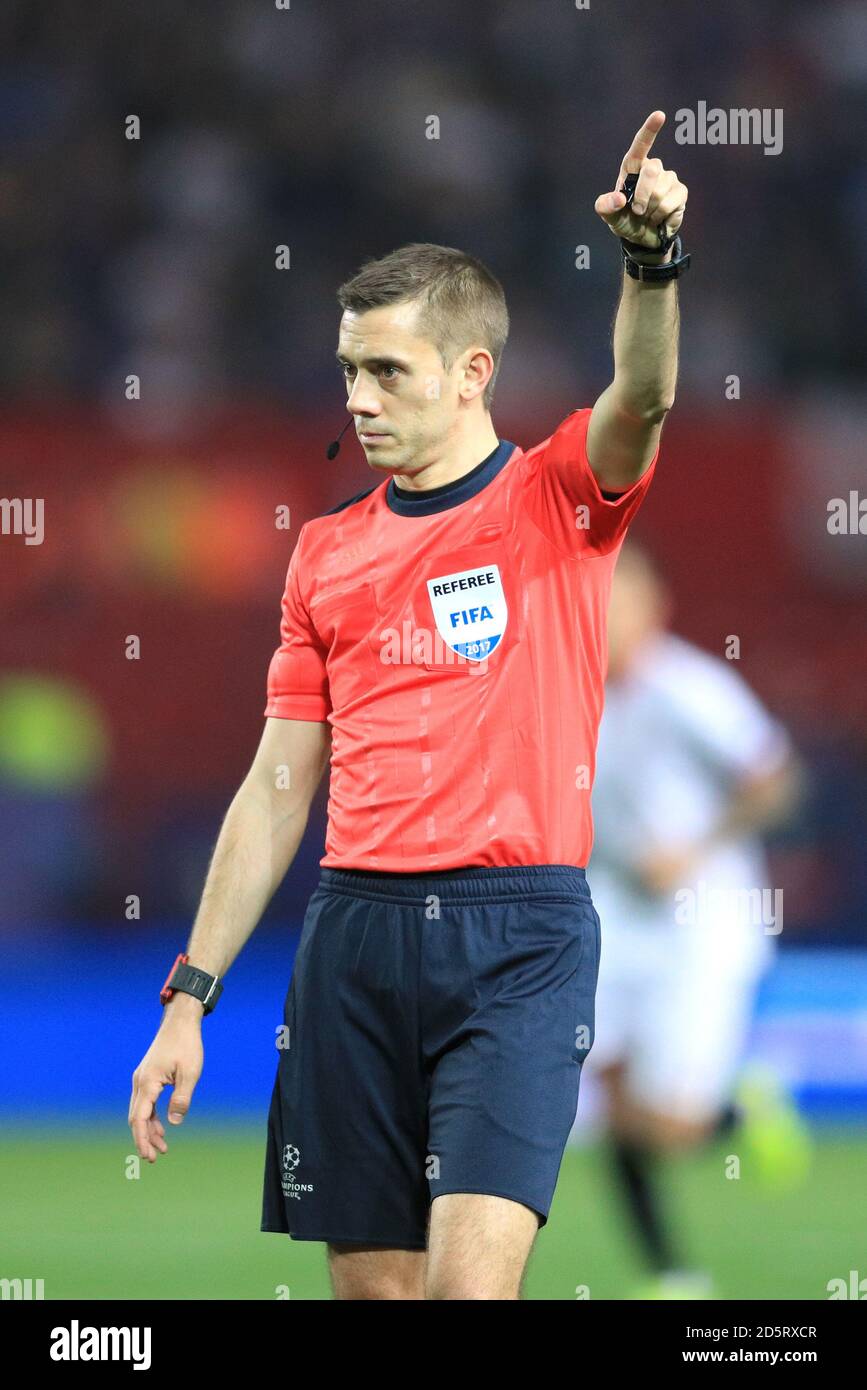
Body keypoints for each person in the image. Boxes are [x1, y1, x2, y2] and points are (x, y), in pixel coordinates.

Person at [129, 111, 691, 1300]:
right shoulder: (325, 554)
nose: (362, 398)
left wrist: (650, 264)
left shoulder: (558, 497)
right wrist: (190, 994)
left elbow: (641, 394)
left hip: (519, 940)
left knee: (464, 1294)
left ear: (471, 373)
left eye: (388, 370)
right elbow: (280, 785)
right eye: (349, 371)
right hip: (355, 944)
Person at [585, 538, 808, 1299]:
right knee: (607, 1103)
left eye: (619, 598)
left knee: (666, 1128)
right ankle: (671, 1278)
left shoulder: (690, 691)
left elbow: (775, 781)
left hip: (700, 924)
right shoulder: (570, 695)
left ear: (654, 606)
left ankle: (736, 1110)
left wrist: (693, 849)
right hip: (613, 919)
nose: (603, 613)